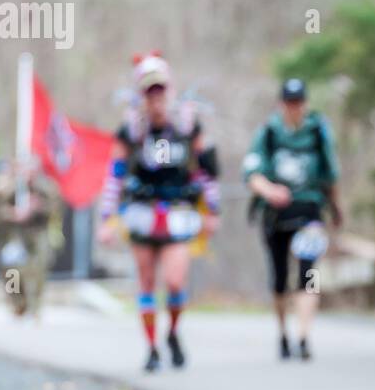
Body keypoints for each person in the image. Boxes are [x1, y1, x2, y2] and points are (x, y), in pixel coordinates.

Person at [96, 52, 221, 372]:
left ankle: (174, 332)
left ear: (170, 90)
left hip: (178, 210)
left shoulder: (188, 126)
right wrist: (106, 219)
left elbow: (206, 172)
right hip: (141, 212)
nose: (156, 98)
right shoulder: (131, 131)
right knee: (147, 280)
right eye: (149, 92)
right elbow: (115, 175)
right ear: (141, 95)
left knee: (176, 282)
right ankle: (151, 347)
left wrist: (212, 209)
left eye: (160, 90)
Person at [244, 78, 342, 361]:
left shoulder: (317, 131)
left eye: (298, 103)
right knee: (279, 278)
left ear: (305, 103)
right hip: (275, 214)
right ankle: (283, 333)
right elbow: (252, 173)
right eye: (289, 102)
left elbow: (330, 173)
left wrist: (335, 207)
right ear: (281, 103)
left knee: (307, 275)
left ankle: (303, 336)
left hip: (309, 210)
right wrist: (270, 191)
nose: (294, 108)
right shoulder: (269, 133)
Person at [0, 157, 64, 319]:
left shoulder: (46, 188)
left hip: (36, 232)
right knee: (10, 271)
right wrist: (5, 216)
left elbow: (55, 209)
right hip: (9, 234)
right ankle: (16, 301)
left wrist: (37, 207)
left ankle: (34, 304)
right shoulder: (1, 186)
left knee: (38, 268)